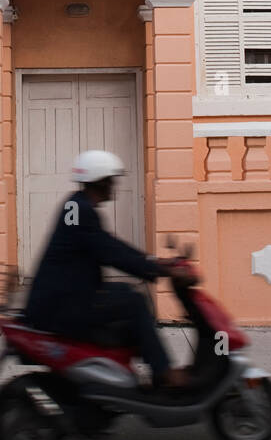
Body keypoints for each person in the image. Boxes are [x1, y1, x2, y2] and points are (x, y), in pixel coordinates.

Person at [24, 149, 191, 390]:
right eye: (111, 180)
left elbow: (109, 245)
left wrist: (155, 262)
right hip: (66, 304)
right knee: (134, 302)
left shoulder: (77, 205)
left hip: (68, 296)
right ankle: (163, 371)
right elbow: (111, 252)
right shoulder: (82, 211)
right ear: (101, 182)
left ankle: (136, 366)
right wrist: (159, 269)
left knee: (127, 293)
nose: (114, 186)